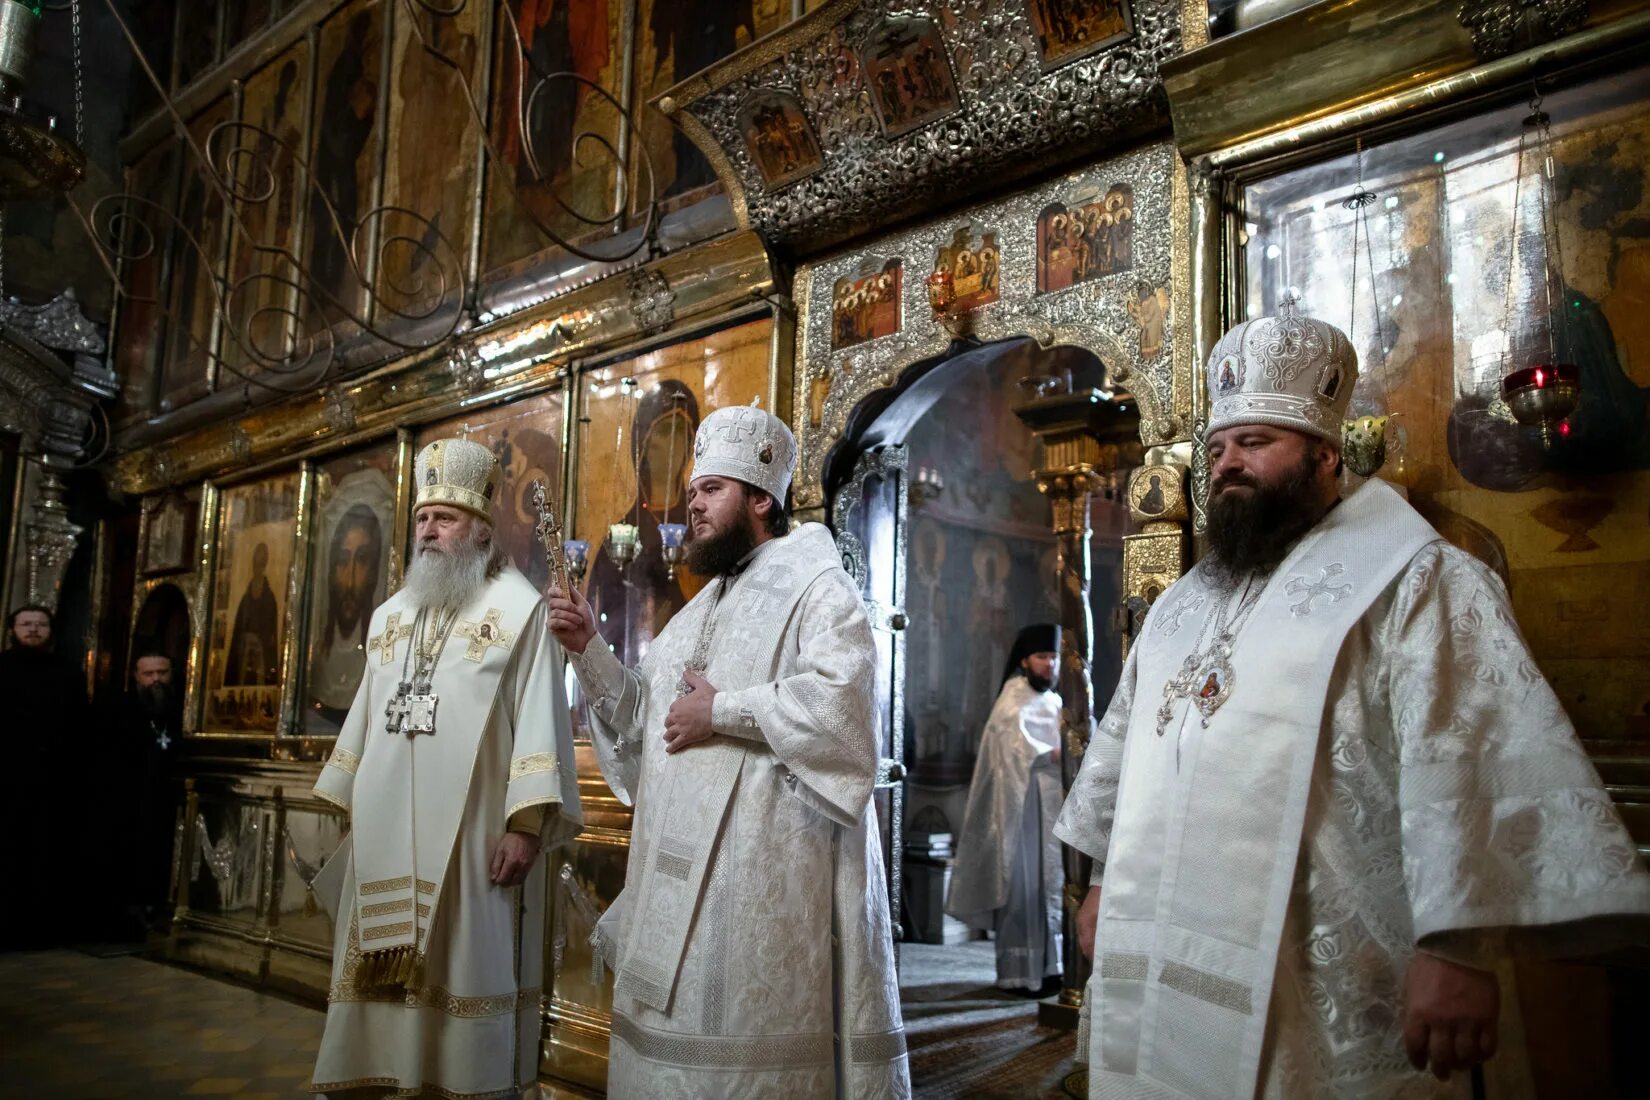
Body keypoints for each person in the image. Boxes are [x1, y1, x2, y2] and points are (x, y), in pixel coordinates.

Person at [1055, 301, 1650, 1099]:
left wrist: (1456, 950)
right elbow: (1132, 751)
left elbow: (1462, 755)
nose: (1227, 464)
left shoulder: (1416, 579)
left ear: (1328, 457)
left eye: (1256, 443)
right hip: (1167, 947)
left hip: (1333, 960)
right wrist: (1101, 886)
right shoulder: (1186, 602)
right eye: (1221, 445)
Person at [547, 403, 911, 1098]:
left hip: (757, 885)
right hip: (674, 884)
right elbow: (644, 728)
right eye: (692, 491)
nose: (693, 503)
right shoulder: (696, 609)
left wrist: (724, 710)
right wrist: (588, 649)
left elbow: (844, 710)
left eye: (711, 489)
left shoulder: (817, 586)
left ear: (761, 497)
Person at [309, 437, 583, 1099]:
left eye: (446, 518)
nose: (429, 530)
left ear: (482, 530)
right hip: (382, 835)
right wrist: (350, 806)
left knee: (461, 970)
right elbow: (368, 719)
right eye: (423, 518)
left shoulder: (519, 613)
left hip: (473, 840)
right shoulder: (389, 617)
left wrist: (525, 827)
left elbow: (542, 721)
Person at [947, 623, 1064, 993]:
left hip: (1053, 805)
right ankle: (1018, 972)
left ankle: (1051, 967)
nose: (1051, 665)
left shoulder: (1056, 701)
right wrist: (1055, 753)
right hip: (1021, 808)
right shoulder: (1012, 699)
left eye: (1055, 657)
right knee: (1023, 885)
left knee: (1052, 885)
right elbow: (1014, 751)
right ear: (1024, 661)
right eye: (1043, 656)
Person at [1, 605, 88, 947]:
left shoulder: (67, 673)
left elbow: (79, 727)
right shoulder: (1, 668)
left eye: (41, 624)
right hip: (5, 783)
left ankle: (39, 930)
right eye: (27, 624)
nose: (34, 630)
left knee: (44, 854)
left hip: (53, 783)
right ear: (13, 630)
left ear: (51, 630)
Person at [107, 649, 185, 935]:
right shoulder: (121, 710)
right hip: (130, 800)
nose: (156, 680)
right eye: (149, 674)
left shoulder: (182, 710)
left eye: (162, 673)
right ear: (136, 677)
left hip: (167, 798)